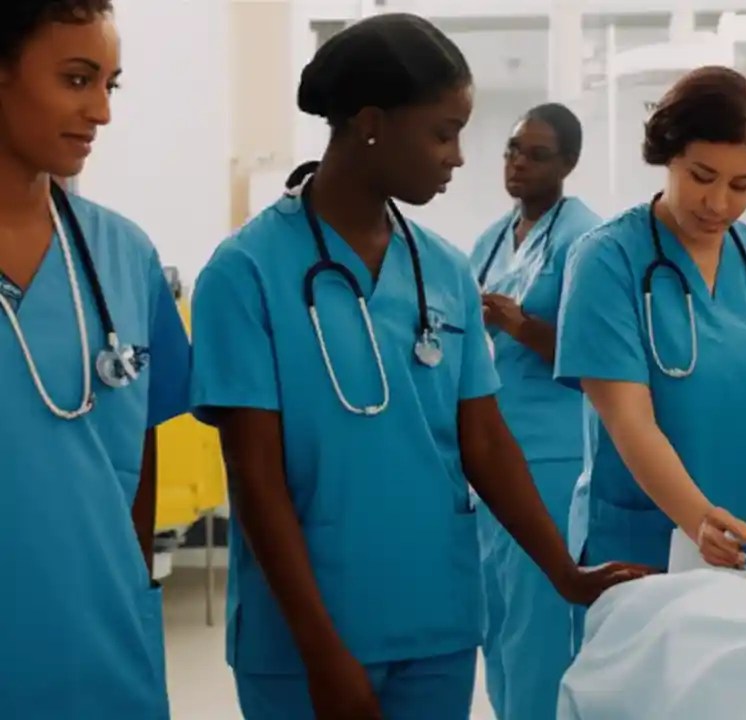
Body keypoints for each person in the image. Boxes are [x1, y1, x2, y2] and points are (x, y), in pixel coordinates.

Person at [188, 15, 647, 720]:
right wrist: (321, 652)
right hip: (307, 637)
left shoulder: (442, 268)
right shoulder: (245, 271)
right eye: (443, 132)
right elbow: (254, 476)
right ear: (371, 123)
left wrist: (564, 572)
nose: (459, 157)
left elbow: (485, 442)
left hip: (434, 624)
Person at [554, 65, 746, 577]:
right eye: (701, 176)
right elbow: (630, 421)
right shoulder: (607, 260)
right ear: (668, 154)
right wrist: (697, 520)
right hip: (647, 550)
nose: (717, 203)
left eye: (741, 185)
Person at [0, 1, 191, 717]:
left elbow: (138, 449)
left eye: (111, 85)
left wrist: (134, 583)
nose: (102, 112)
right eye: (78, 80)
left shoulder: (123, 255)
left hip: (102, 642)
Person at [468, 103, 601, 720]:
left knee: (537, 623)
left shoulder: (585, 240)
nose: (518, 163)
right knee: (493, 617)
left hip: (551, 457)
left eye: (536, 154)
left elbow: (597, 350)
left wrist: (522, 327)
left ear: (568, 164)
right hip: (489, 455)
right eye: (512, 150)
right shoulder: (491, 239)